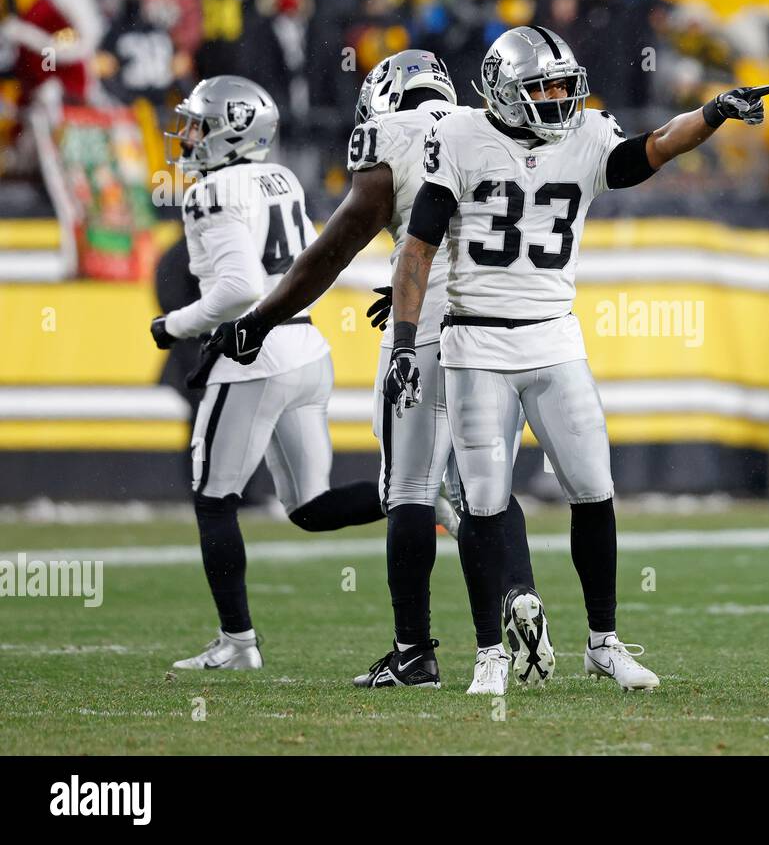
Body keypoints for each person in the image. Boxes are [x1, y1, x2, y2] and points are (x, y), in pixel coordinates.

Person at [384, 24, 769, 694]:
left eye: (566, 86)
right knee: (482, 502)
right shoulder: (459, 137)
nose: (560, 99)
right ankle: (489, 654)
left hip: (554, 338)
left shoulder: (586, 137)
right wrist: (402, 342)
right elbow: (417, 248)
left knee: (595, 490)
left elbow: (651, 149)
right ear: (505, 93)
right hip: (475, 342)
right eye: (544, 88)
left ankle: (604, 642)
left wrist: (711, 114)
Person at [206, 52, 550, 690]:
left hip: (429, 325)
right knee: (485, 480)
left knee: (410, 487)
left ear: (385, 95)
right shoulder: (487, 123)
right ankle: (519, 596)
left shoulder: (389, 135)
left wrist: (259, 320)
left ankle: (413, 651)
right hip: (503, 319)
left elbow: (332, 250)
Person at [151, 75, 384, 671]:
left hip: (254, 354)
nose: (189, 134)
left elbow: (238, 289)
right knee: (309, 506)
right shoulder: (280, 177)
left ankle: (238, 643)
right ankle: (417, 494)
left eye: (199, 123)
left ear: (231, 130)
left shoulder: (211, 192)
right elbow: (316, 254)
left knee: (213, 500)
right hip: (308, 350)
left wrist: (173, 326)